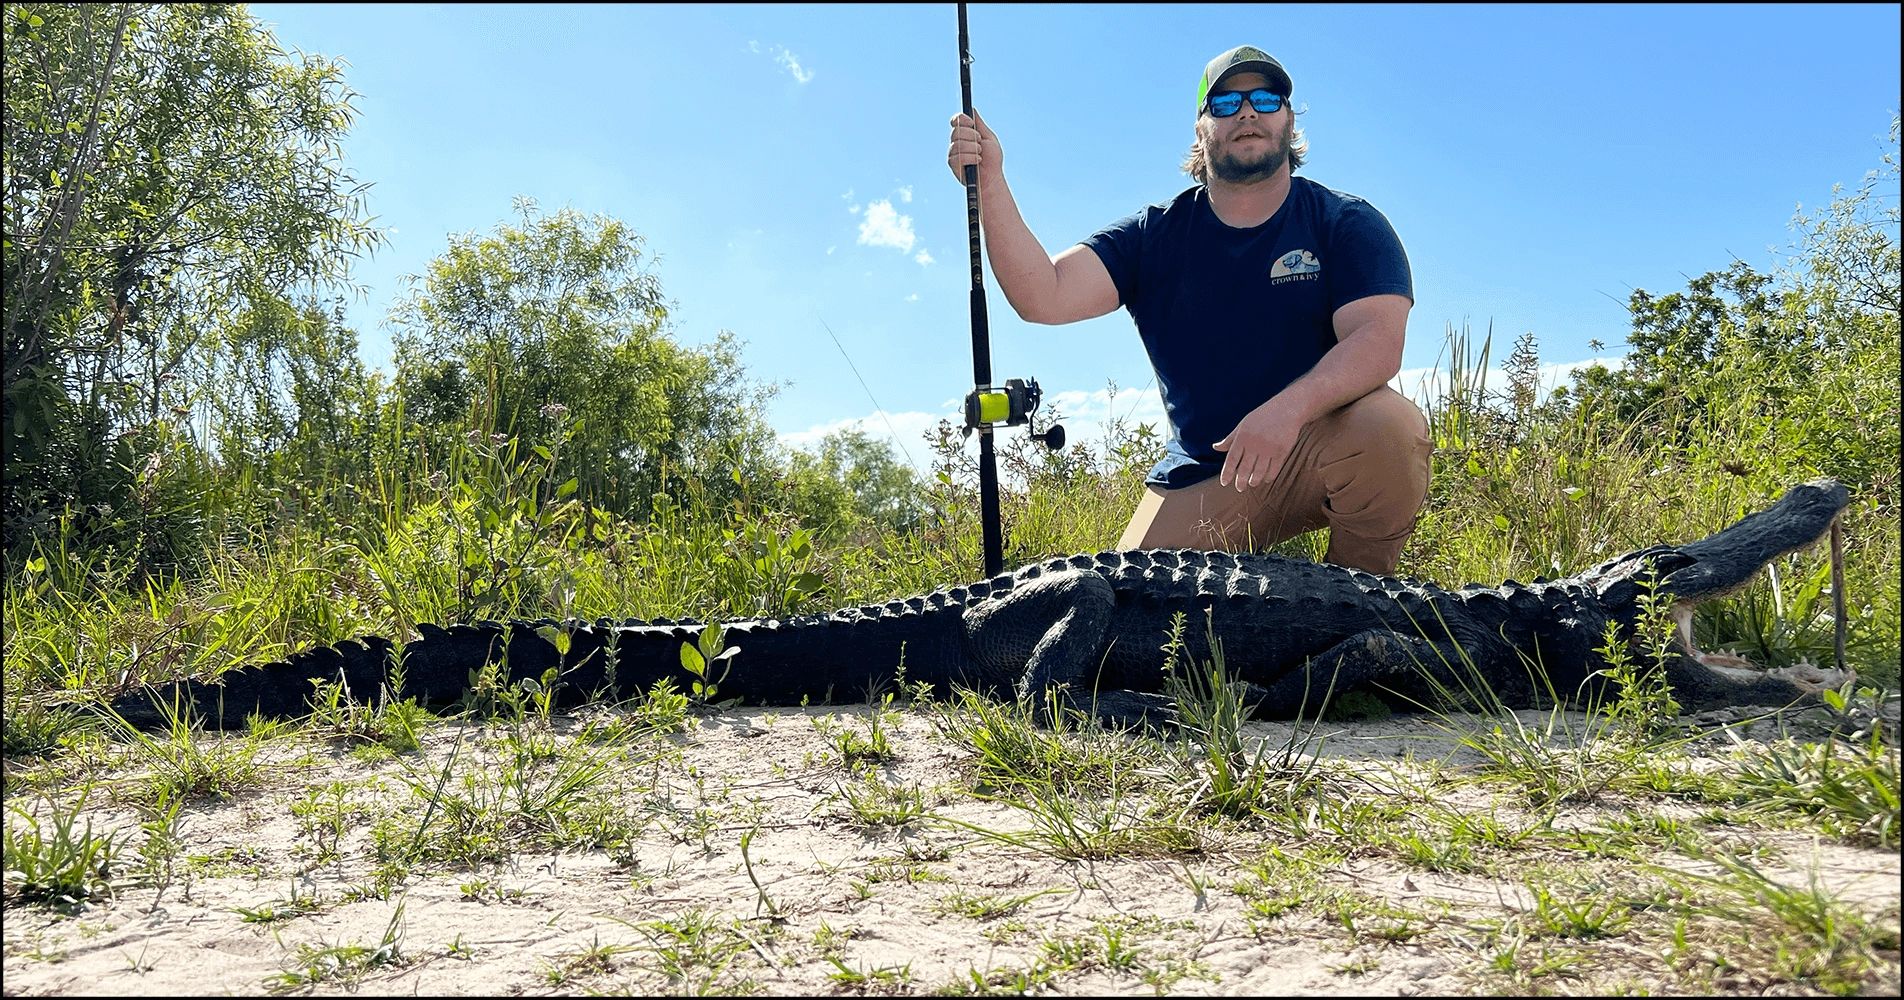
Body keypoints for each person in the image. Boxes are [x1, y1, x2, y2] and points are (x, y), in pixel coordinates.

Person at [946, 45, 1432, 575]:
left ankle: (1359, 606)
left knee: (1390, 427)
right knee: (1122, 610)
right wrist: (989, 180)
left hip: (1318, 444)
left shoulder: (1346, 222)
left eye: (1266, 99)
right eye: (1224, 103)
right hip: (1207, 473)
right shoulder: (1153, 236)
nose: (1247, 112)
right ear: (1201, 129)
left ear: (1289, 120)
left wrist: (1285, 412)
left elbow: (1378, 340)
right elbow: (1044, 294)